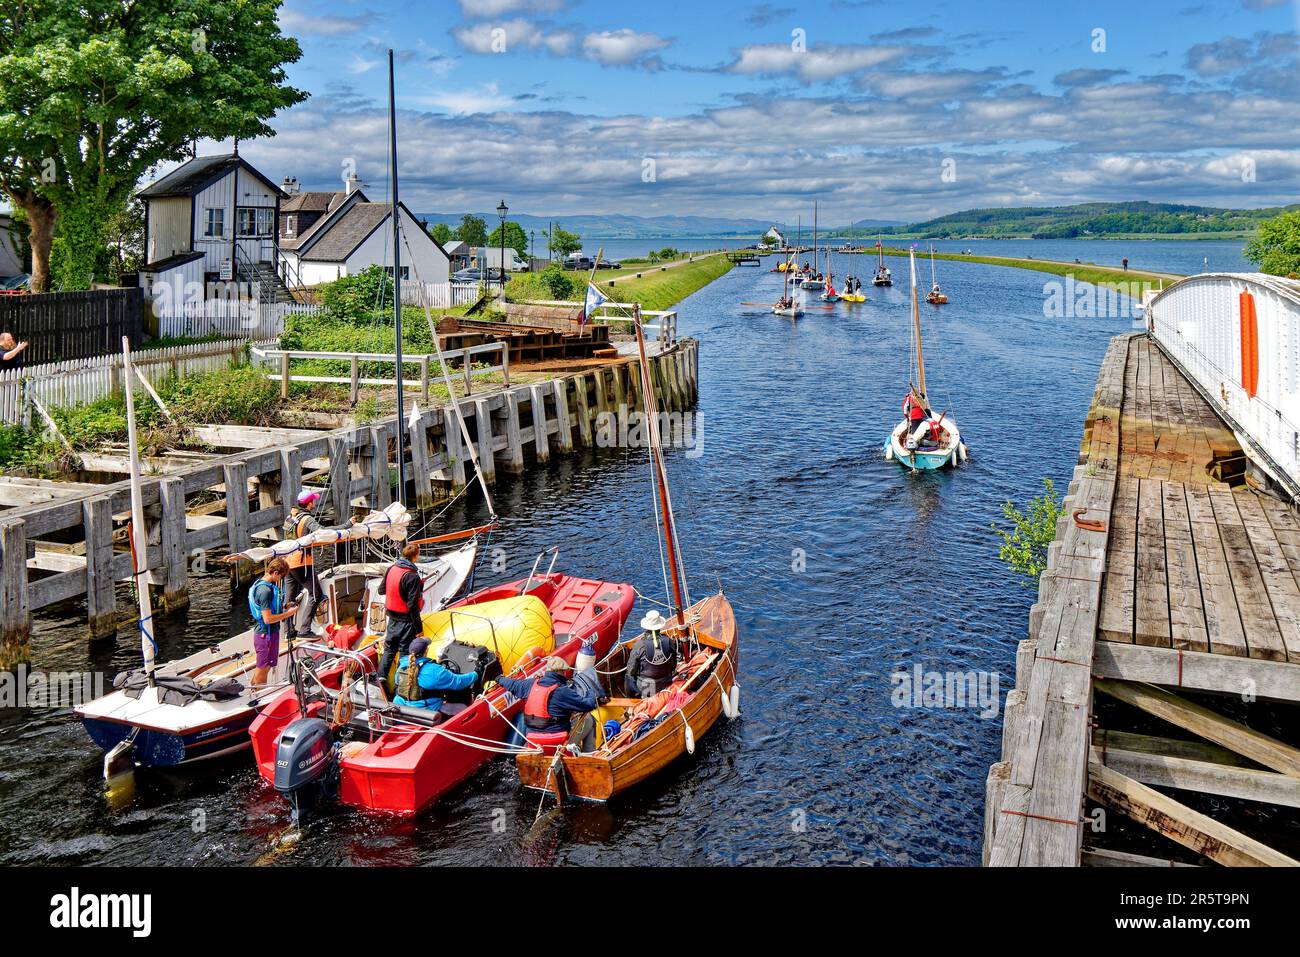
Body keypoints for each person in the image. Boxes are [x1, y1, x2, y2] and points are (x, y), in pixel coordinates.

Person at [498, 656, 600, 752]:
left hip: (533, 738)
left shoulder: (529, 684)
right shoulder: (562, 691)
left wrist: (499, 679)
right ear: (562, 672)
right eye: (564, 672)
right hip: (557, 741)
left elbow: (511, 684)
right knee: (589, 719)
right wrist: (590, 692)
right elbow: (589, 705)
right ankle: (589, 755)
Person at [376, 542, 425, 686]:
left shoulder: (392, 568)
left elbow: (381, 590)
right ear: (415, 557)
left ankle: (380, 680)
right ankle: (399, 687)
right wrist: (419, 629)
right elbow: (412, 607)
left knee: (389, 650)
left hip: (392, 619)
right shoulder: (412, 577)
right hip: (406, 622)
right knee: (405, 653)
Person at [248, 558, 299, 688]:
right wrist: (289, 614)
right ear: (275, 572)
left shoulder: (266, 587)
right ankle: (259, 697)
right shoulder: (265, 591)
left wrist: (285, 606)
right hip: (265, 635)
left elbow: (269, 608)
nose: (280, 580)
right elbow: (268, 619)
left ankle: (254, 691)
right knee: (262, 671)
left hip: (271, 633)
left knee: (266, 667)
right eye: (281, 577)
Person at [392, 636, 478, 712]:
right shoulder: (434, 671)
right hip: (426, 711)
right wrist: (475, 674)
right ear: (426, 651)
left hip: (401, 708)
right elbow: (458, 683)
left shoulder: (401, 666)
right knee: (463, 708)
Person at [625, 609, 678, 698]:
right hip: (666, 682)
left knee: (628, 676)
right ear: (659, 627)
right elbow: (673, 665)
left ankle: (630, 701)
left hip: (647, 688)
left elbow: (631, 670)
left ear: (646, 628)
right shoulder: (669, 641)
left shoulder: (640, 645)